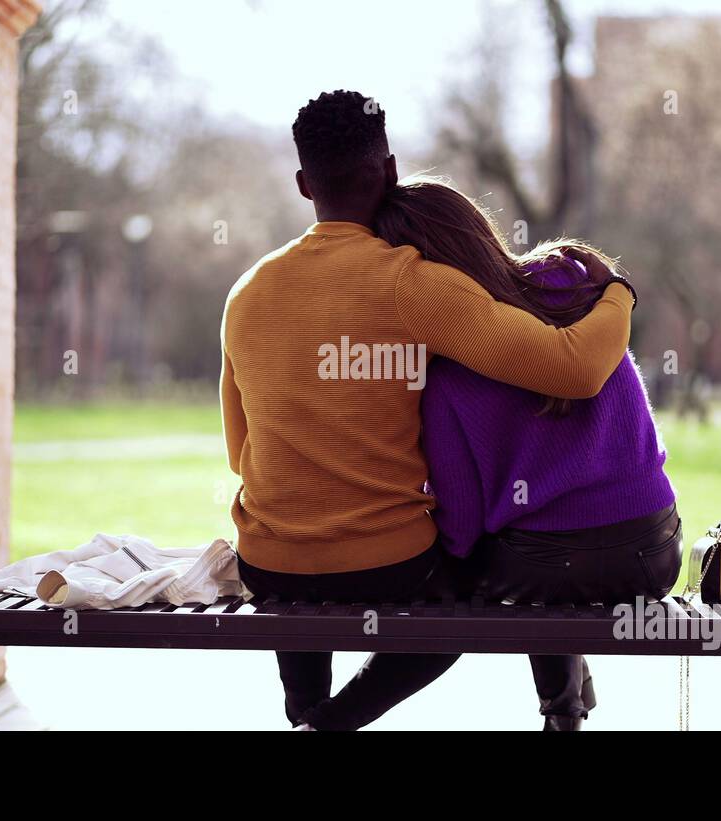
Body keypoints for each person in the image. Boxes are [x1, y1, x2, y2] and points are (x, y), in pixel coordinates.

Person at [220, 91, 635, 730]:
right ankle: (328, 724)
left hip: (269, 563)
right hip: (391, 565)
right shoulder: (410, 283)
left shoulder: (247, 294)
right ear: (388, 171)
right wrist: (616, 294)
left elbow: (236, 449)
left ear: (305, 186)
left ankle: (304, 708)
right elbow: (571, 369)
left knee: (290, 550)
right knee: (469, 590)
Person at [374, 179, 681, 732]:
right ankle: (566, 713)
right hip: (655, 548)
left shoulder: (445, 372)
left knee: (514, 555)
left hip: (546, 566)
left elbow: (463, 527)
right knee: (547, 539)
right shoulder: (570, 277)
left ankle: (329, 719)